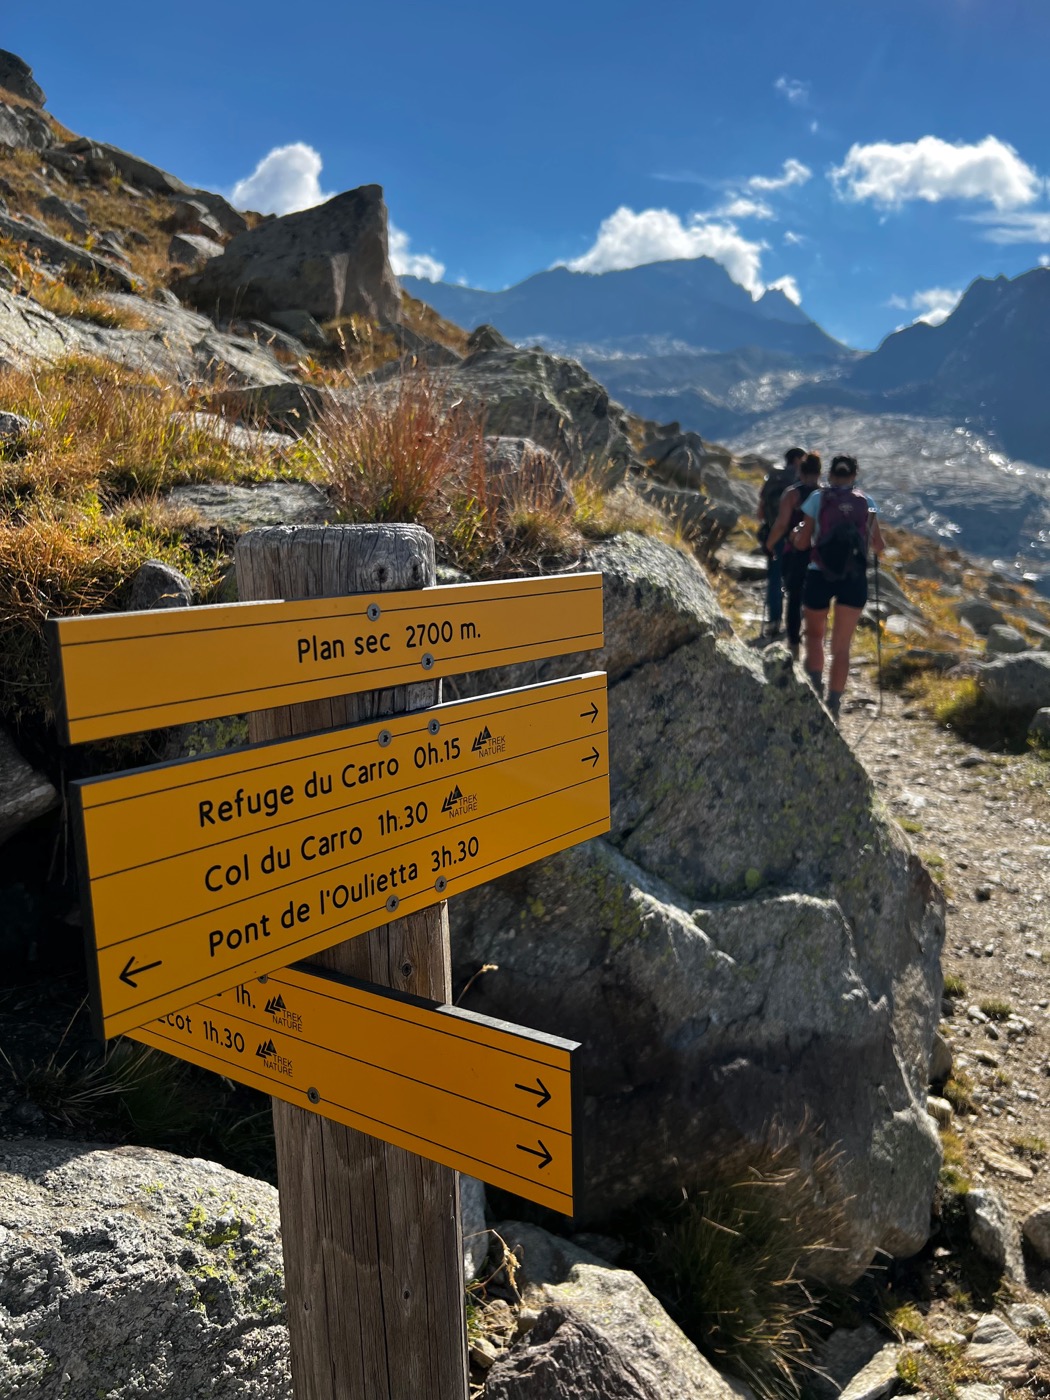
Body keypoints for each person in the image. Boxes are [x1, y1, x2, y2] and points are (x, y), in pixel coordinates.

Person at [790, 453, 884, 724]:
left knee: (815, 635)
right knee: (842, 647)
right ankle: (834, 704)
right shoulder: (867, 503)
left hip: (820, 573)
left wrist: (796, 536)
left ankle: (814, 692)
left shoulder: (817, 499)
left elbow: (803, 542)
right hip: (853, 578)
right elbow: (878, 545)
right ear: (854, 475)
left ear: (830, 474)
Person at [765, 451, 822, 661]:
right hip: (820, 555)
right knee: (817, 601)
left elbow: (781, 525)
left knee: (794, 598)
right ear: (819, 472)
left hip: (796, 552)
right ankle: (815, 648)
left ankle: (794, 645)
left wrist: (770, 545)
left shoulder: (792, 494)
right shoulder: (825, 495)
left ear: (801, 471)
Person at [758, 447, 806, 637]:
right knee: (797, 578)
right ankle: (796, 621)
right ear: (797, 460)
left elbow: (760, 512)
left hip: (774, 534)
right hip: (795, 537)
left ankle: (774, 620)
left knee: (774, 577)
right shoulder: (799, 481)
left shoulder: (772, 478)